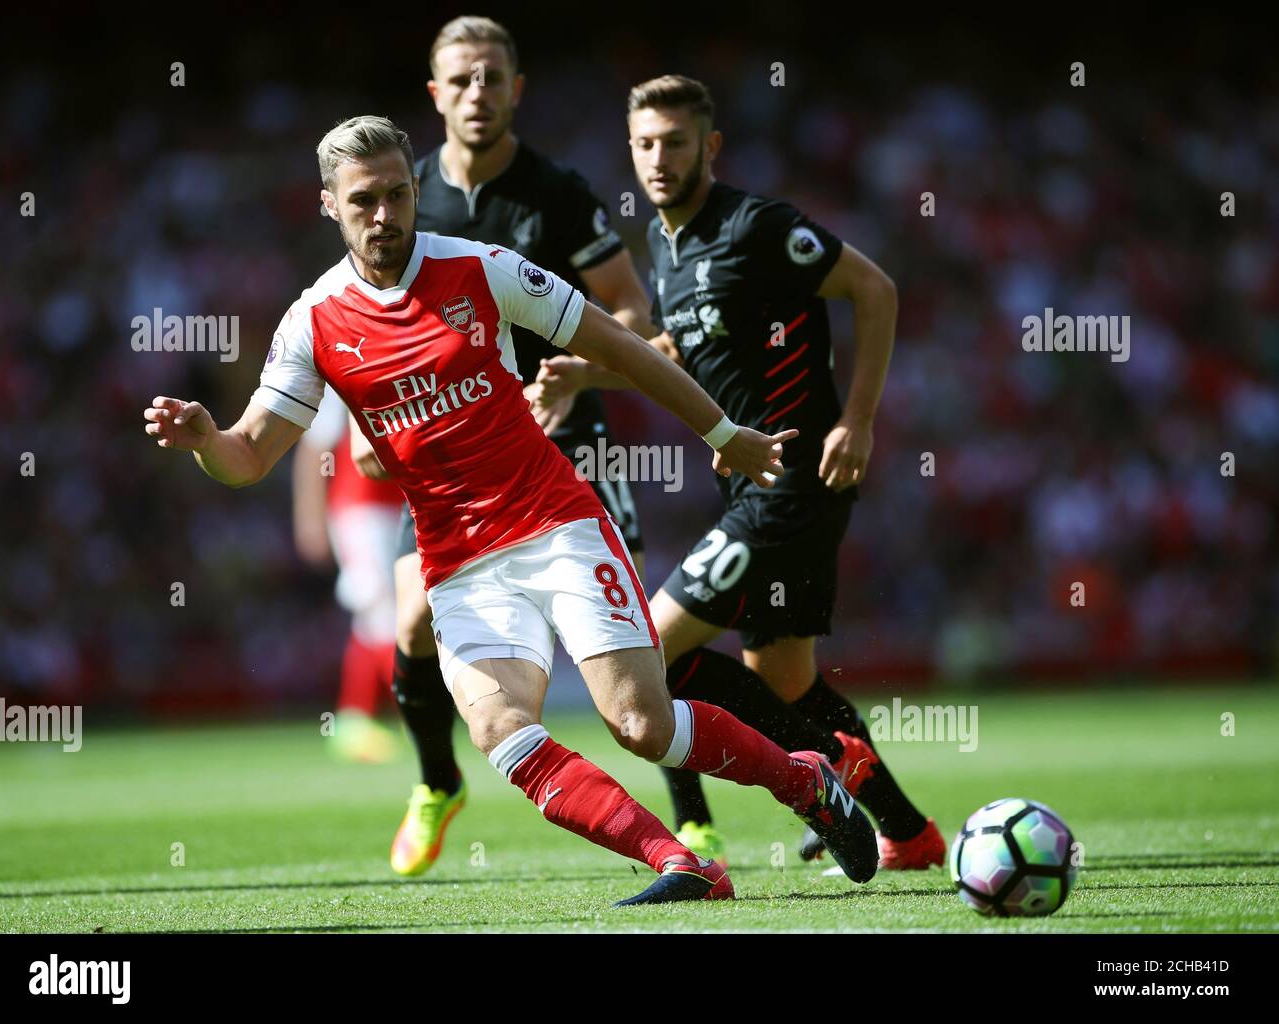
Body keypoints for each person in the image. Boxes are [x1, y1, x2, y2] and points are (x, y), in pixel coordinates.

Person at [142, 114, 878, 905]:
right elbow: (250, 454)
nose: (384, 215)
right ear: (329, 206)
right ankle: (682, 864)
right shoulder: (313, 322)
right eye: (364, 201)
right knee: (503, 734)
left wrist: (723, 431)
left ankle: (804, 783)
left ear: (415, 189)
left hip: (555, 524)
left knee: (640, 724)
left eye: (397, 194)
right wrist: (204, 438)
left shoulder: (483, 269)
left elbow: (616, 342)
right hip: (457, 561)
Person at [533, 75, 944, 871]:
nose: (659, 158)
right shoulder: (666, 244)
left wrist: (856, 420)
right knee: (783, 675)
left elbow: (874, 287)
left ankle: (827, 761)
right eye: (645, 144)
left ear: (709, 147)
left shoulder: (757, 226)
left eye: (675, 142)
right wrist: (587, 373)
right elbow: (680, 358)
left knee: (648, 648)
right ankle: (908, 832)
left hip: (792, 483)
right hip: (751, 488)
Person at [348, 16, 655, 878]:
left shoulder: (557, 193)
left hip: (564, 444)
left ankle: (694, 818)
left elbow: (632, 315)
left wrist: (574, 375)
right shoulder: (401, 200)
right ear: (435, 94)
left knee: (644, 639)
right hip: (455, 464)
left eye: (493, 78)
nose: (478, 92)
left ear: (515, 90)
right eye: (462, 79)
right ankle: (440, 782)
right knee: (407, 620)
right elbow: (363, 326)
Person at [291, 385, 404, 763]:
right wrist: (310, 517)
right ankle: (415, 712)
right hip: (359, 511)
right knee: (383, 612)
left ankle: (355, 719)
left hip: (402, 506)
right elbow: (314, 448)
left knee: (378, 616)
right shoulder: (346, 371)